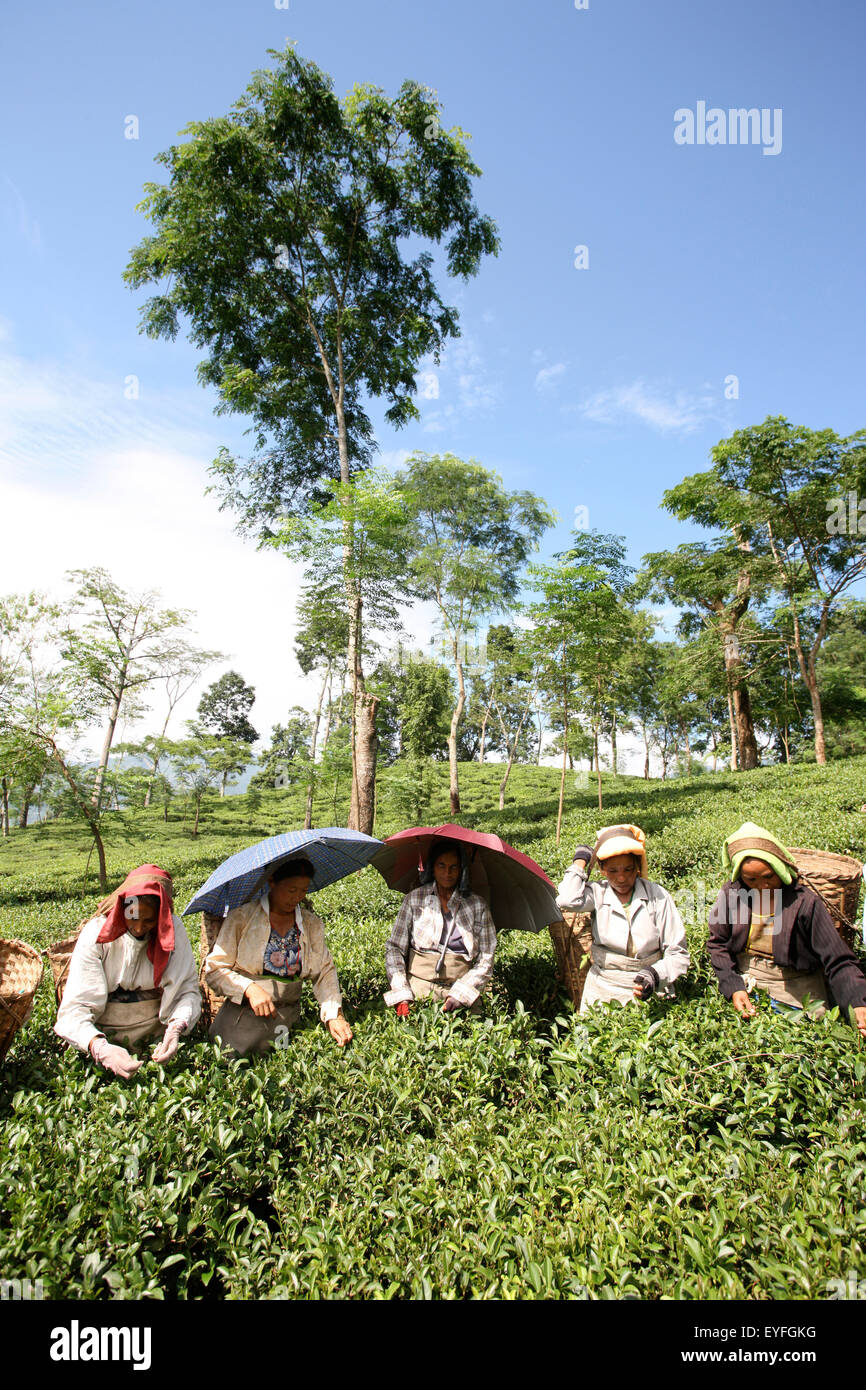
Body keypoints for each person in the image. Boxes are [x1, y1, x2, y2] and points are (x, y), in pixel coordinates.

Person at [707, 822, 866, 1037]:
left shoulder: (804, 903)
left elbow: (838, 959)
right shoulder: (731, 894)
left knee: (812, 1033)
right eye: (751, 879)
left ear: (779, 869)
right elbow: (717, 944)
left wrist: (857, 1001)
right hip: (747, 976)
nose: (762, 886)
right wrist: (733, 985)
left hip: (796, 983)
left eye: (768, 876)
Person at [54, 864, 201, 1078]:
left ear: (161, 916)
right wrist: (100, 1048)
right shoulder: (97, 932)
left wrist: (176, 1028)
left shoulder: (173, 929)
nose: (139, 928)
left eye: (149, 920)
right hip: (102, 1030)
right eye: (132, 917)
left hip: (154, 1034)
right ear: (123, 907)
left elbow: (187, 991)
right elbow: (74, 1010)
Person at [204, 857, 352, 1056]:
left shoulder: (309, 924)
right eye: (291, 890)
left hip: (286, 1020)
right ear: (272, 882)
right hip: (241, 1021)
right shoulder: (242, 917)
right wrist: (249, 988)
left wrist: (334, 1014)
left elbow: (324, 972)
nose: (297, 897)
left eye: (303, 890)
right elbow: (215, 969)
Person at [555, 824, 690, 1012]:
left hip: (649, 988)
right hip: (603, 988)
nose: (621, 878)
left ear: (637, 866)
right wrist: (580, 861)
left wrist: (655, 974)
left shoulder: (657, 895)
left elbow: (678, 953)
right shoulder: (598, 893)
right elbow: (566, 899)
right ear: (602, 868)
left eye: (628, 869)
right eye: (613, 871)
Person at [384, 839, 497, 1016]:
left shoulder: (477, 905)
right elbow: (394, 948)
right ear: (432, 867)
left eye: (454, 867)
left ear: (462, 869)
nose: (447, 873)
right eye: (441, 866)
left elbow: (486, 958)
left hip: (461, 990)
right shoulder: (415, 899)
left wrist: (460, 995)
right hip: (418, 987)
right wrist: (402, 993)